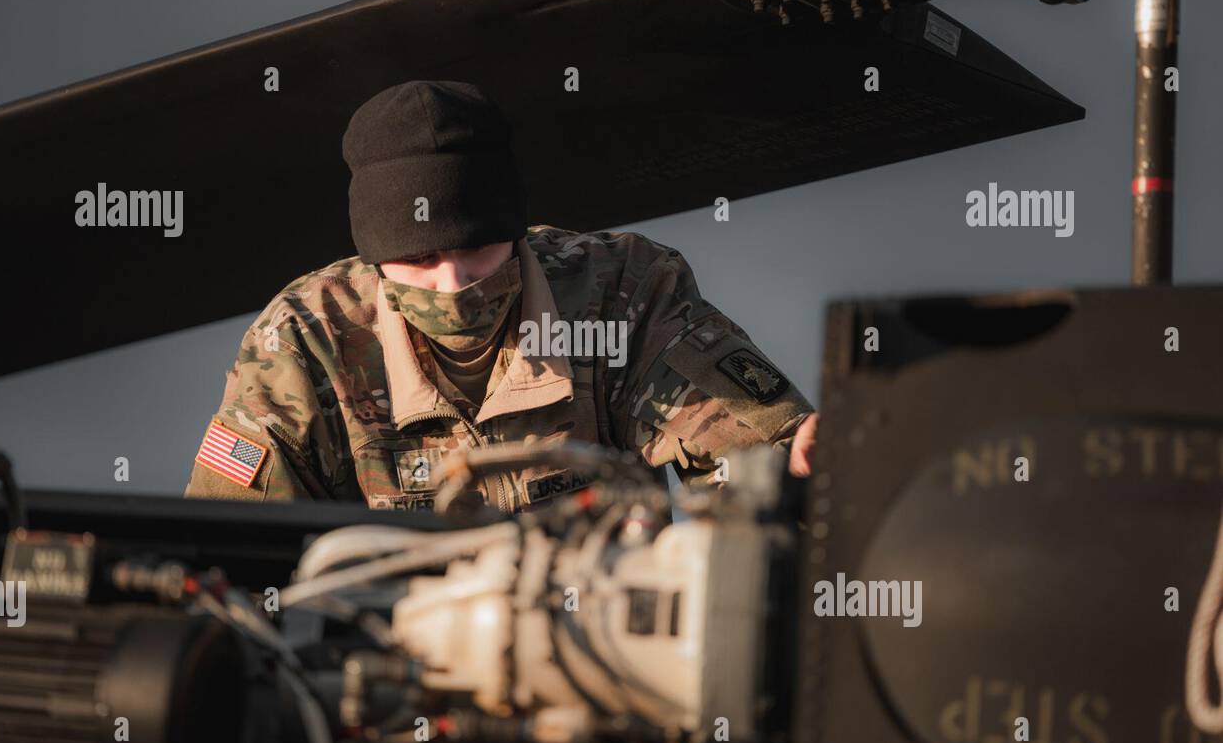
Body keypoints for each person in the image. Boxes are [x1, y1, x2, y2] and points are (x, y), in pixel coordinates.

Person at [186, 80, 817, 510]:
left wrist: (796, 469)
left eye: (477, 249)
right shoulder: (305, 342)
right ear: (376, 260)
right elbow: (229, 553)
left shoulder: (620, 295)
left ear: (514, 232)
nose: (453, 283)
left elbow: (754, 468)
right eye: (420, 260)